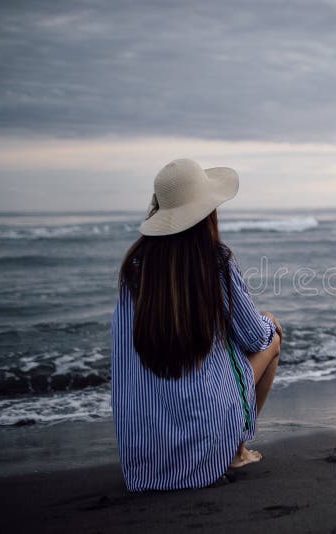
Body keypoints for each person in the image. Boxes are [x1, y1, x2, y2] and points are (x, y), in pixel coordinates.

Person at [111, 158, 282, 491]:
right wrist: (270, 322)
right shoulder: (214, 260)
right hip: (205, 450)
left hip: (143, 460)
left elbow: (121, 362)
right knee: (271, 337)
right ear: (208, 213)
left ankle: (225, 448)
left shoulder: (133, 267)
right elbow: (255, 337)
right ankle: (236, 451)